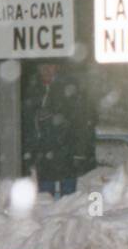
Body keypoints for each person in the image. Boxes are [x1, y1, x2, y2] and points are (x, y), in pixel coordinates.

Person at [24, 63, 96, 198]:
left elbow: (82, 122)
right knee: (45, 200)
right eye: (42, 66)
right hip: (43, 156)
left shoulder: (70, 89)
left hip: (67, 152)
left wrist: (79, 153)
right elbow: (27, 123)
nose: (46, 69)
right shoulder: (34, 89)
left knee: (68, 201)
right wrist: (30, 151)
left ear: (57, 67)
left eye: (50, 65)